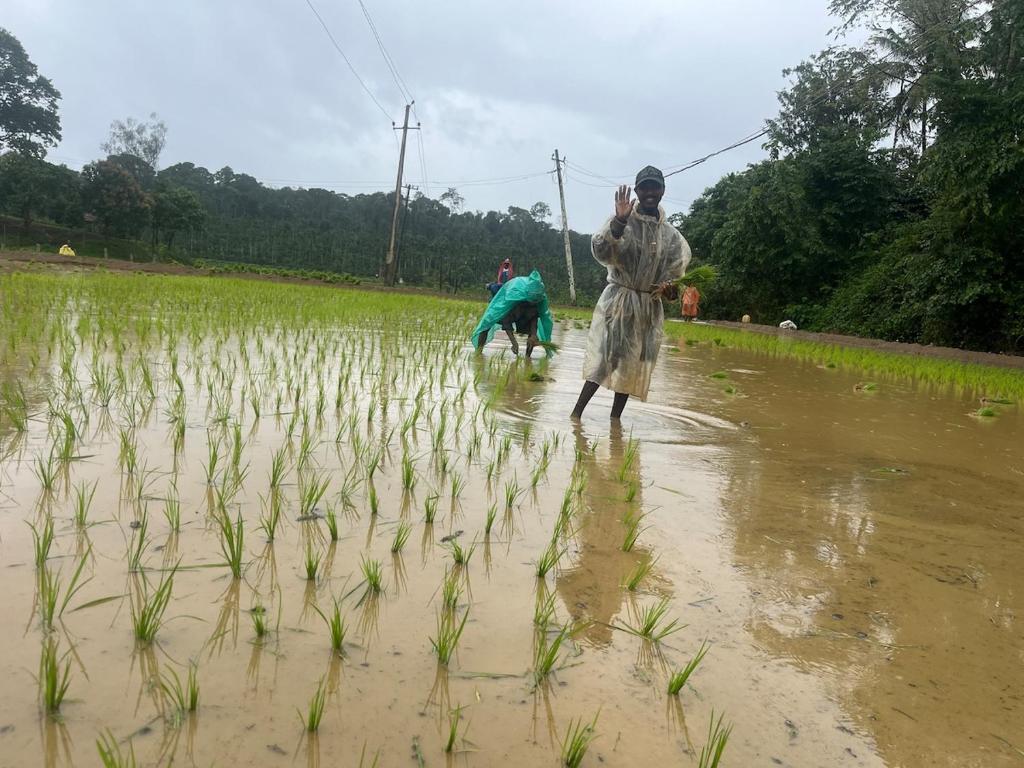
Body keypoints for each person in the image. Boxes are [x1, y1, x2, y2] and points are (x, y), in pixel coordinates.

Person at [571, 166, 691, 419]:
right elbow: (602, 252)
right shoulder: (622, 221)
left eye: (654, 187)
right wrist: (619, 222)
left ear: (662, 191)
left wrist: (669, 290)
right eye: (644, 187)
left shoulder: (671, 236)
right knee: (605, 359)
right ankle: (576, 415)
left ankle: (616, 422)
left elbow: (673, 287)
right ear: (636, 191)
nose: (649, 192)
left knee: (632, 363)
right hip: (619, 303)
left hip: (648, 309)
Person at [472, 269, 553, 358]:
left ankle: (527, 357)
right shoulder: (515, 295)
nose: (534, 303)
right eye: (532, 302)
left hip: (523, 312)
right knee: (487, 322)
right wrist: (514, 343)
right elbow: (506, 321)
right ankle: (478, 352)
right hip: (505, 302)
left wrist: (533, 335)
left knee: (532, 338)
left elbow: (534, 319)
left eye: (535, 302)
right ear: (527, 296)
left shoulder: (540, 298)